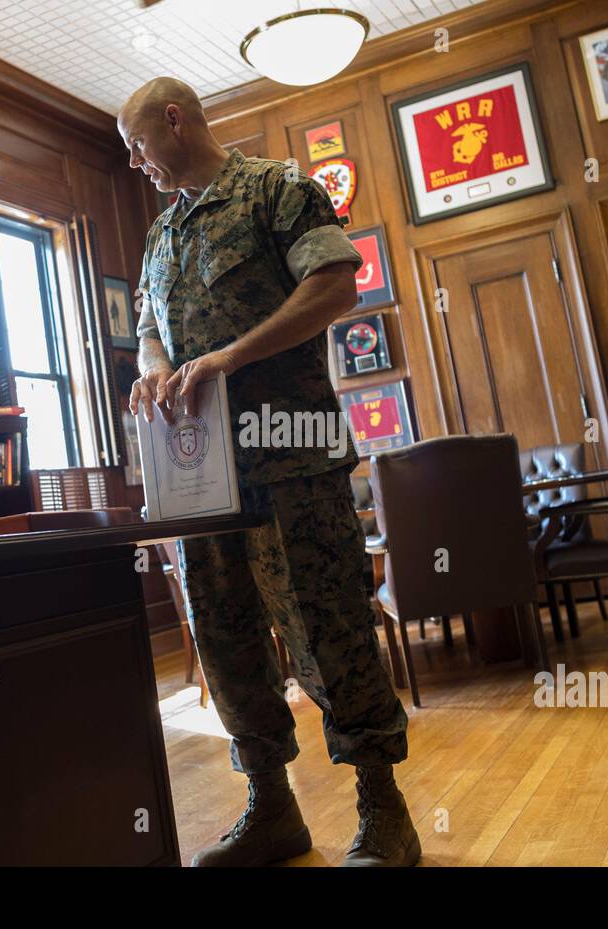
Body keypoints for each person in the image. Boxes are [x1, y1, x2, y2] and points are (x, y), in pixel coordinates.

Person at [117, 77, 419, 868]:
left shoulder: (277, 190)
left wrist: (225, 358)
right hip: (200, 481)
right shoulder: (159, 238)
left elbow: (333, 287)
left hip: (292, 461)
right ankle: (272, 810)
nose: (134, 160)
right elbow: (149, 331)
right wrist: (155, 372)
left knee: (329, 630)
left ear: (174, 120)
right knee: (226, 642)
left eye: (137, 142)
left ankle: (385, 812)